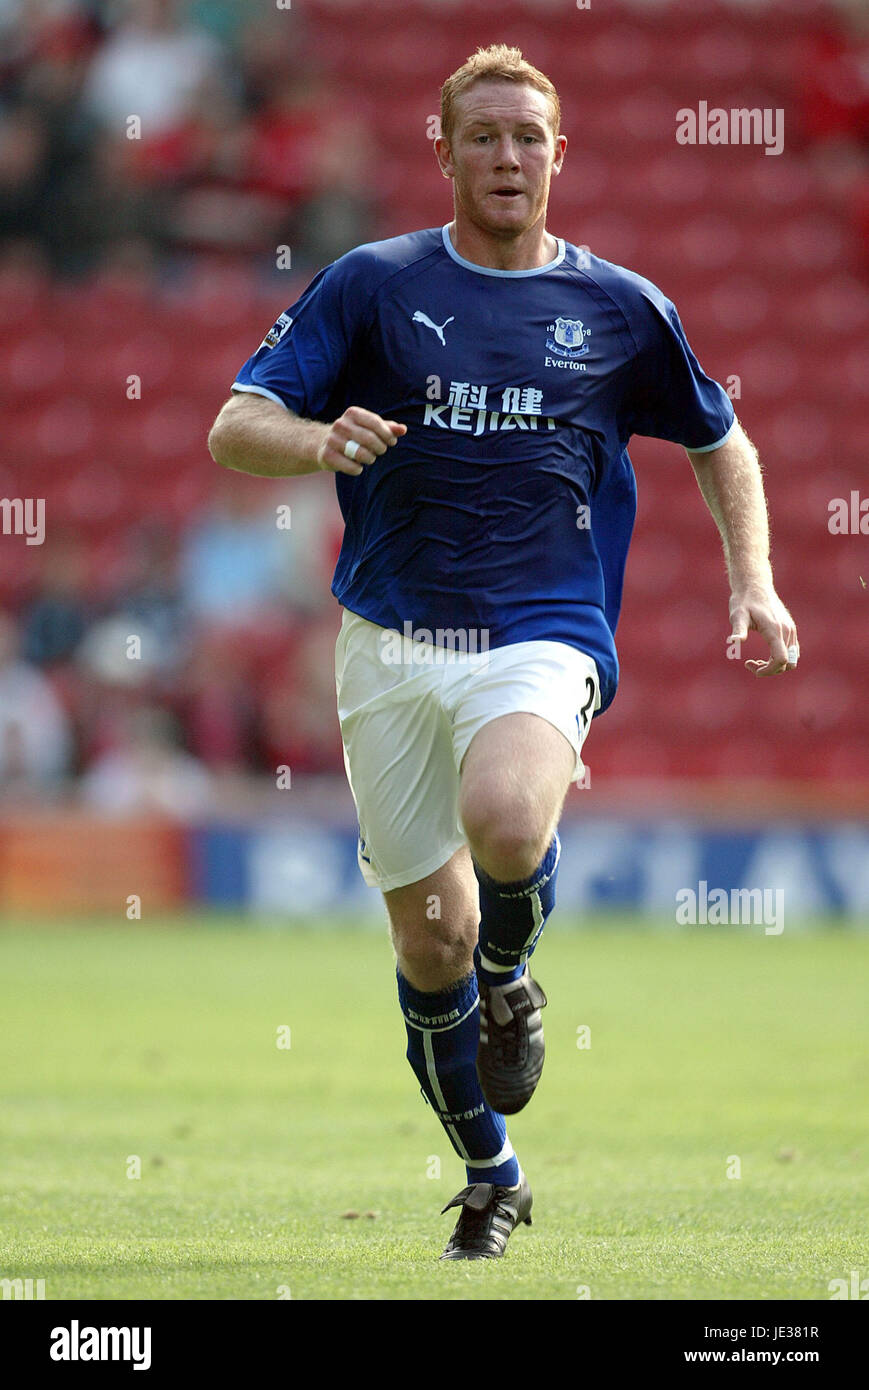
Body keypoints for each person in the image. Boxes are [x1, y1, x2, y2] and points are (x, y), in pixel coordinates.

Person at [207, 45, 799, 1261]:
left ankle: (512, 975)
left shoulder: (620, 308)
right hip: (387, 642)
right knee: (427, 941)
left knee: (509, 822)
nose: (507, 156)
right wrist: (318, 440)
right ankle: (491, 1169)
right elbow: (234, 425)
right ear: (443, 152)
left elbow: (719, 441)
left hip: (540, 632)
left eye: (528, 136)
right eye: (482, 136)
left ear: (558, 153)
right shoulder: (371, 285)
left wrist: (755, 581)